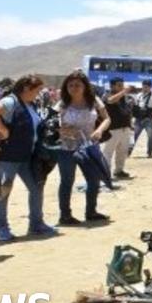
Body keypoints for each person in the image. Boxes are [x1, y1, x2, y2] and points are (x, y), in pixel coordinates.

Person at [0, 74, 55, 242]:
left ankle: (36, 224)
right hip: (9, 156)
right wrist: (4, 131)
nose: (38, 94)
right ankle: (1, 229)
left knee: (37, 187)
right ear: (26, 89)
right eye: (36, 90)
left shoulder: (30, 104)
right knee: (3, 192)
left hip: (27, 156)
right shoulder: (11, 101)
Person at [55, 70, 111, 224]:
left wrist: (99, 130)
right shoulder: (62, 104)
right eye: (70, 85)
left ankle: (91, 212)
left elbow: (107, 119)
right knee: (67, 181)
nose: (74, 88)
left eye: (77, 85)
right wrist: (63, 130)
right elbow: (49, 124)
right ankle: (65, 215)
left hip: (89, 147)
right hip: (66, 149)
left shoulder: (94, 101)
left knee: (93, 180)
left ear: (85, 86)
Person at [102, 78, 135, 180]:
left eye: (122, 85)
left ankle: (119, 171)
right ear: (112, 86)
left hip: (125, 128)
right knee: (108, 152)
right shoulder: (107, 95)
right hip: (113, 129)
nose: (121, 87)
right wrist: (124, 91)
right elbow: (111, 101)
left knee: (122, 151)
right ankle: (105, 173)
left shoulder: (124, 97)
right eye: (119, 85)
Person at [131, 80, 152, 158]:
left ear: (150, 87)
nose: (144, 88)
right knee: (133, 136)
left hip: (149, 119)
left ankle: (150, 152)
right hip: (138, 119)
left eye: (146, 87)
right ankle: (128, 151)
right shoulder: (139, 95)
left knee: (151, 136)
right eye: (143, 86)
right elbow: (135, 105)